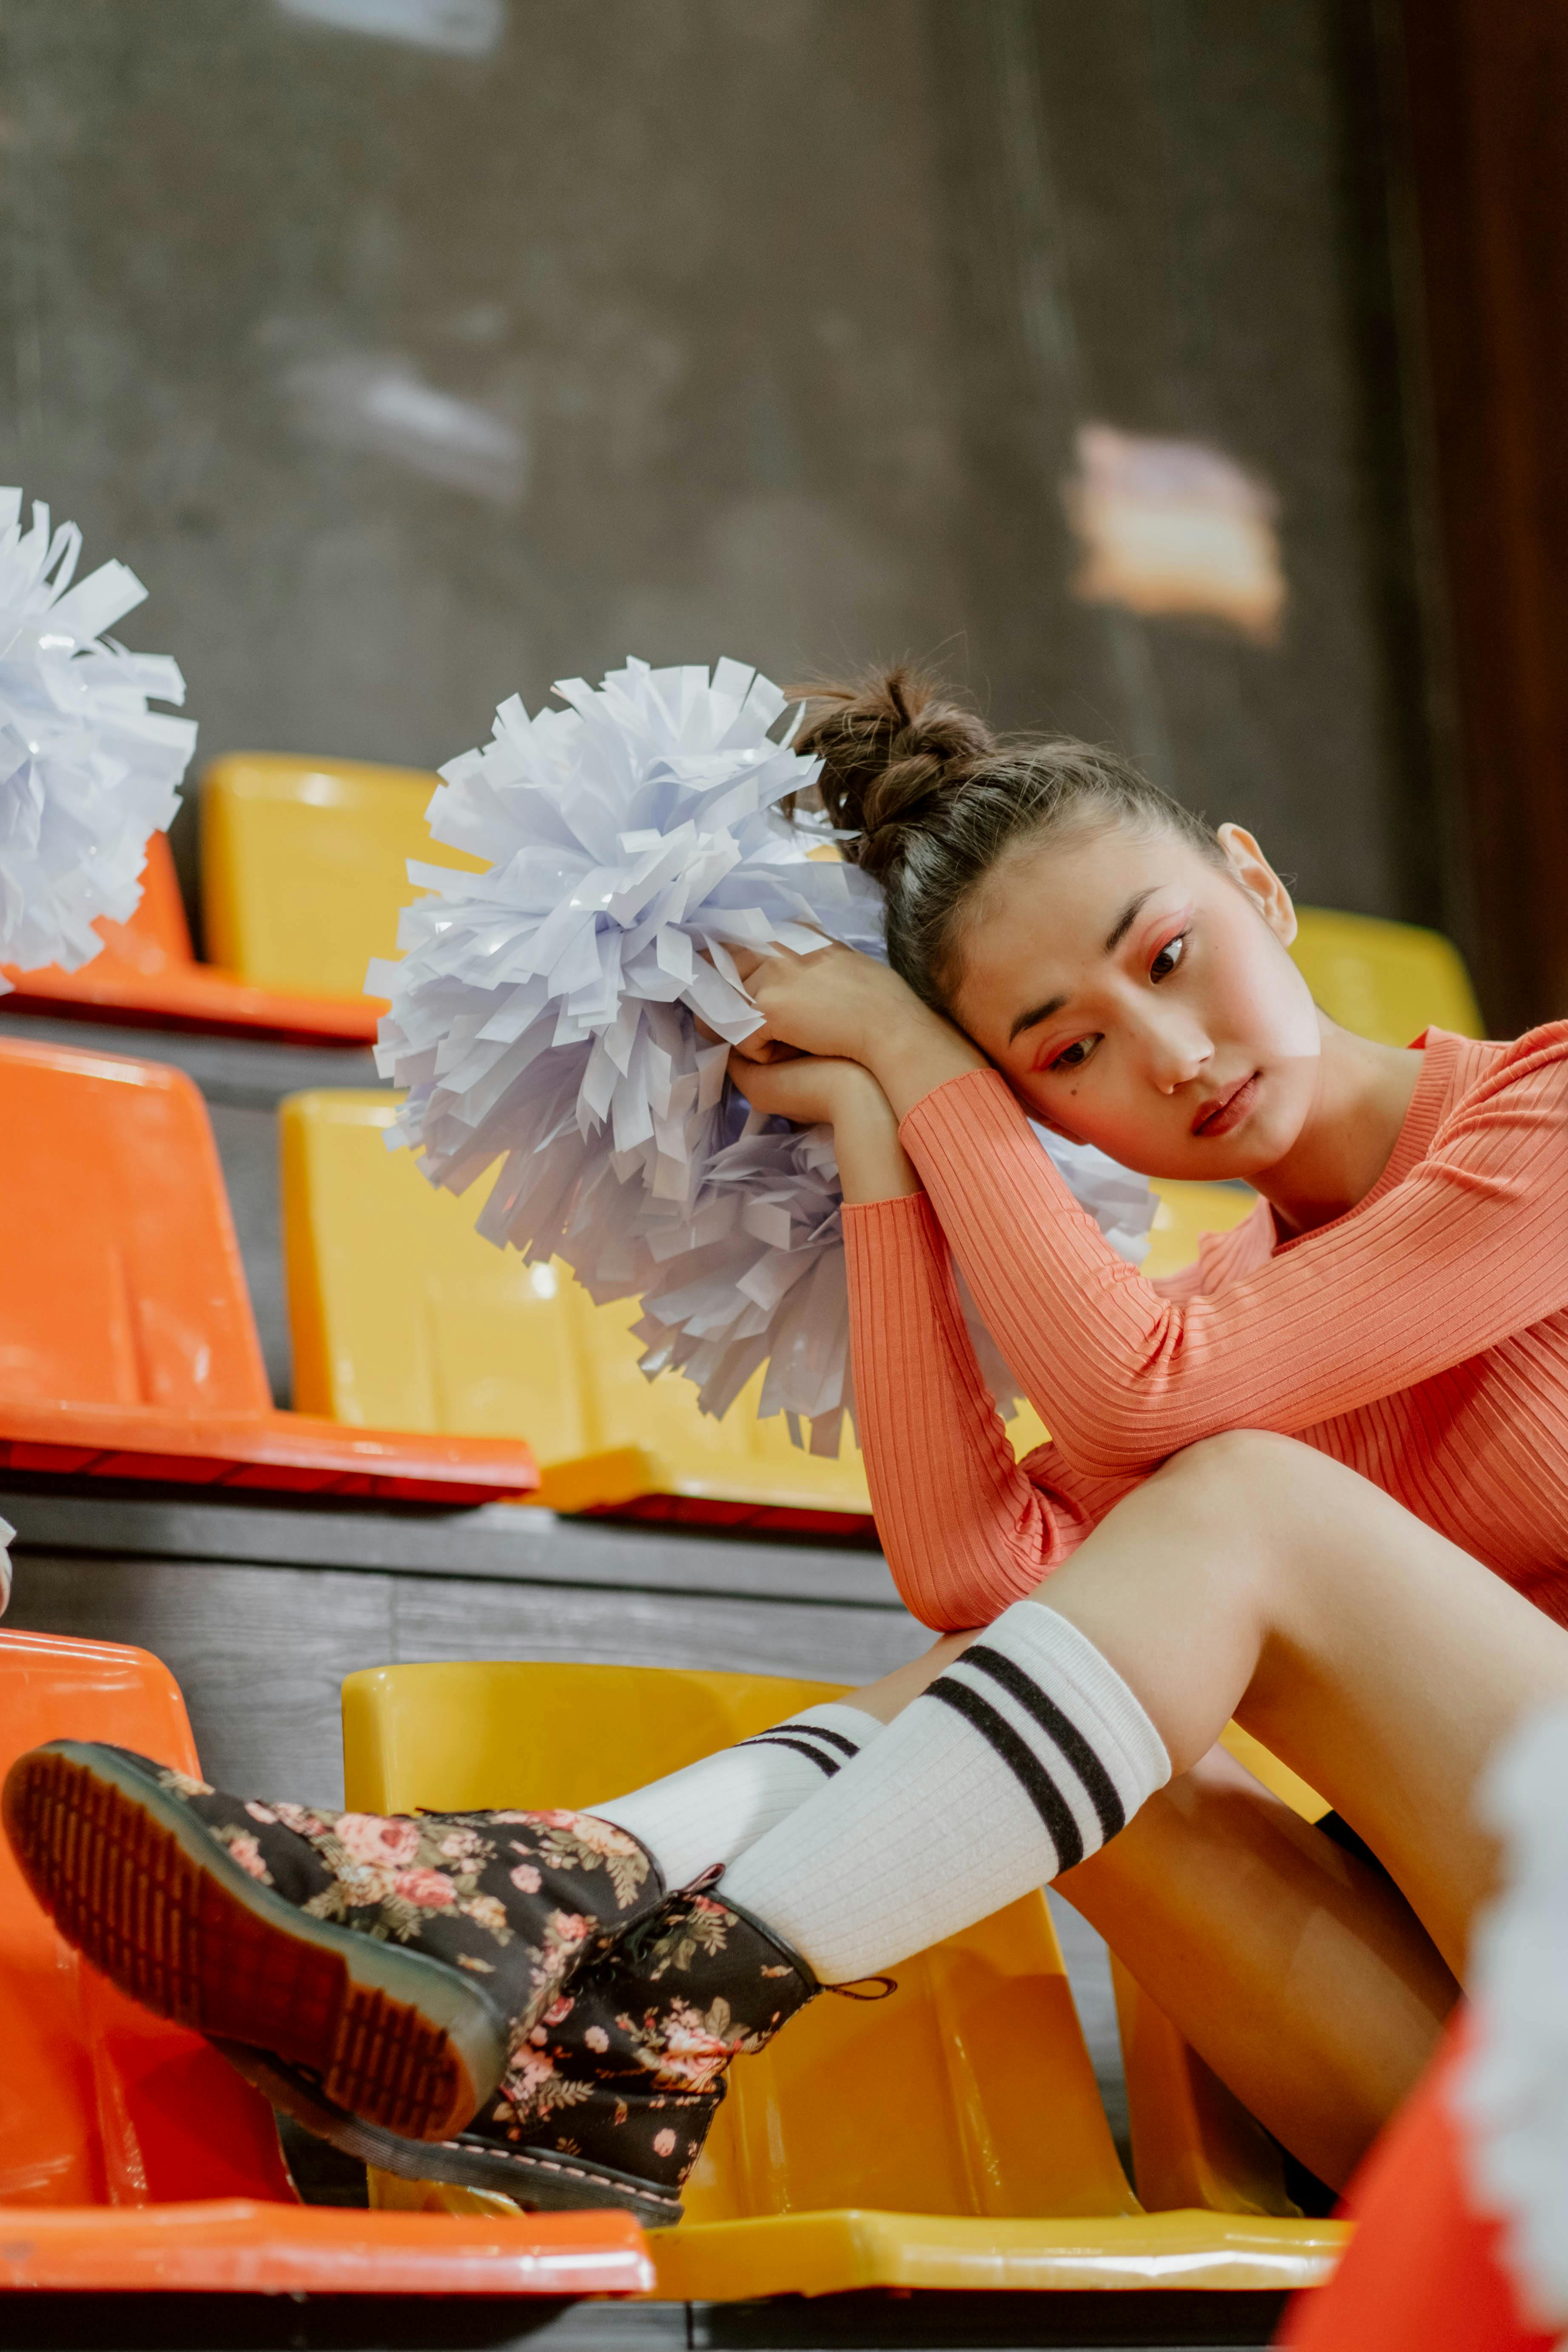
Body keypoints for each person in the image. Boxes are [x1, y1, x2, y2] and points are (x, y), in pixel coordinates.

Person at [8, 668, 1568, 2224]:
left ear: (1260, 884)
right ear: (1052, 1122)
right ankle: (578, 1927)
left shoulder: (1541, 1115)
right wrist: (882, 1128)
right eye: (1066, 1051)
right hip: (1494, 2085)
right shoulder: (1235, 1312)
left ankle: (608, 1945)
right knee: (1052, 1683)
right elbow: (977, 1570)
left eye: (1170, 952)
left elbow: (1148, 1396)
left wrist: (919, 1044)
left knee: (1242, 1509)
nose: (1166, 1051)